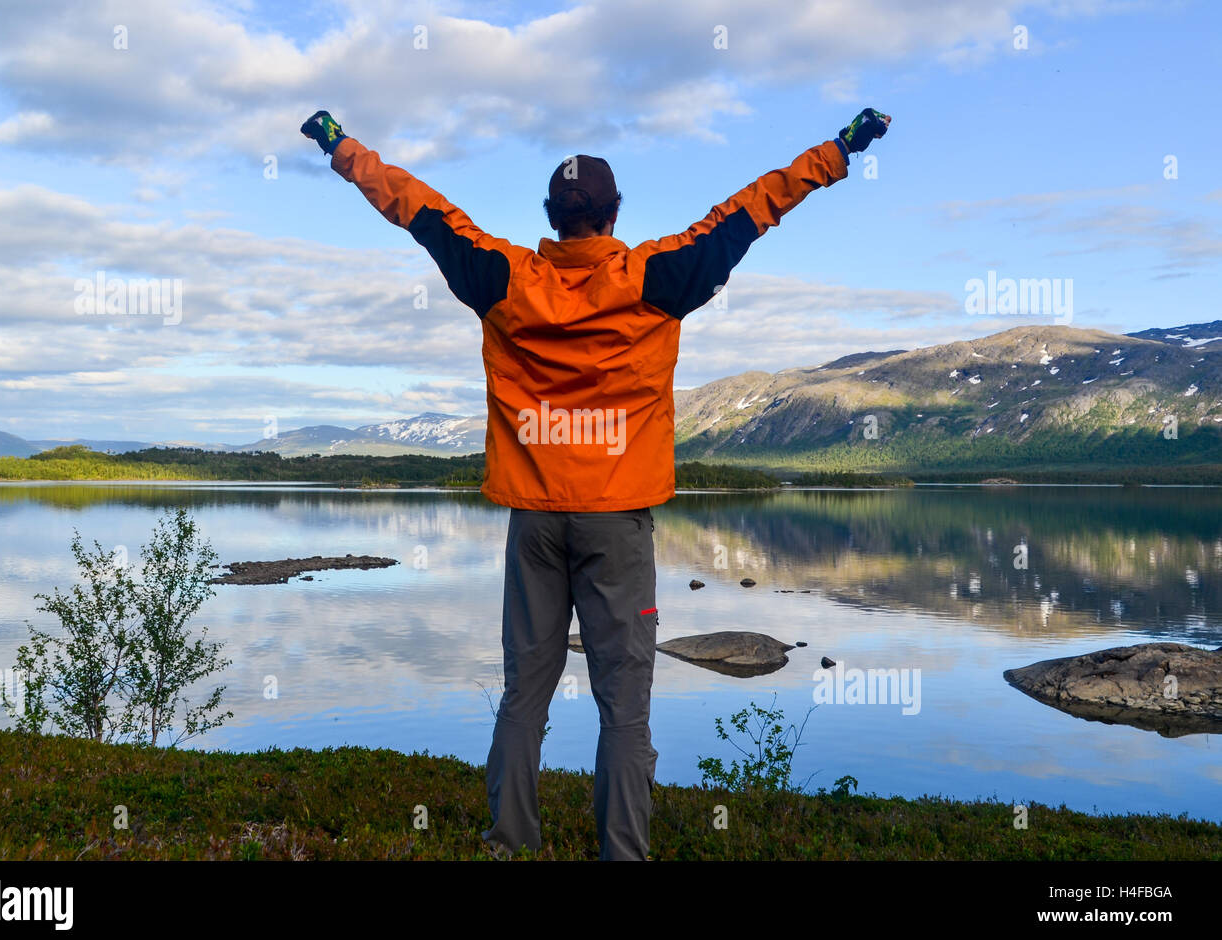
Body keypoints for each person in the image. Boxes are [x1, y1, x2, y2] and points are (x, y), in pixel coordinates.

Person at [301, 106, 891, 860]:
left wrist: (341, 146)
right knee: (625, 708)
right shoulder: (656, 275)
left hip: (536, 523)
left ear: (552, 216)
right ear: (613, 215)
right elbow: (750, 211)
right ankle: (622, 853)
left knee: (524, 695)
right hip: (617, 524)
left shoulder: (504, 275)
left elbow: (417, 208)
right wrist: (837, 150)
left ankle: (508, 842)